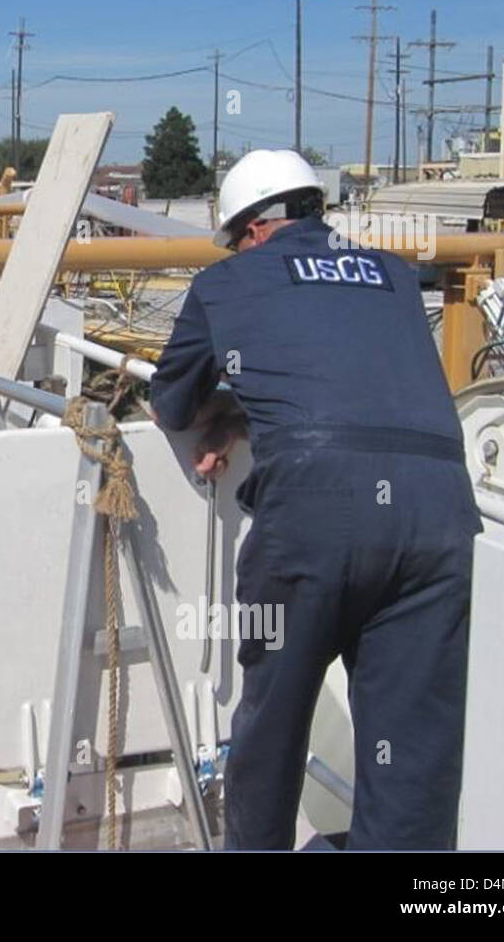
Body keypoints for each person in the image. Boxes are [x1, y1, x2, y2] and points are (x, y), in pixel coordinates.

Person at [149, 149, 482, 850]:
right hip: (438, 514)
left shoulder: (227, 283)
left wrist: (237, 412)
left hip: (314, 512)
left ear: (257, 229)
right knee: (413, 756)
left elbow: (172, 401)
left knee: (272, 725)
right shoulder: (393, 273)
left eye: (236, 239)